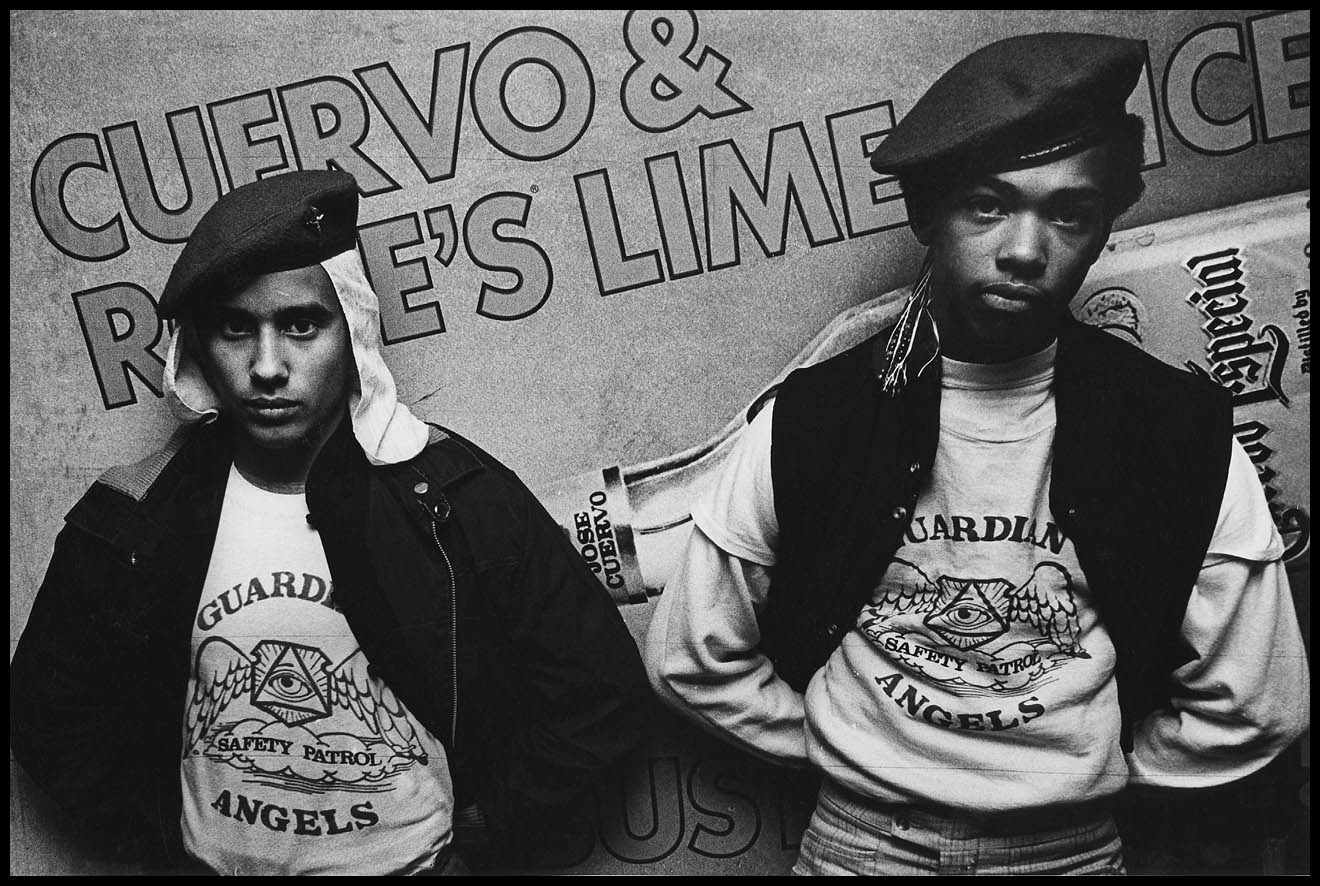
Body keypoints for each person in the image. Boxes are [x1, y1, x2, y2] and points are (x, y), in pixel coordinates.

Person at [644, 31, 1309, 876]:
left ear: (1104, 228)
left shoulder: (1175, 428)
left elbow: (1260, 700)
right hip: (861, 852)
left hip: (1071, 857)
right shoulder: (816, 419)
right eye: (989, 205)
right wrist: (843, 753)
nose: (1025, 250)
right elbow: (689, 656)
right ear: (928, 212)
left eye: (1068, 213)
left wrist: (1090, 782)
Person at [10, 169, 650, 876]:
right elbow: (47, 711)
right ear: (197, 349)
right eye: (234, 329)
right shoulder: (136, 513)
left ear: (354, 331)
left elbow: (601, 690)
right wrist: (159, 845)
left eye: (300, 325)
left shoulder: (452, 495)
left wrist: (484, 842)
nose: (267, 366)